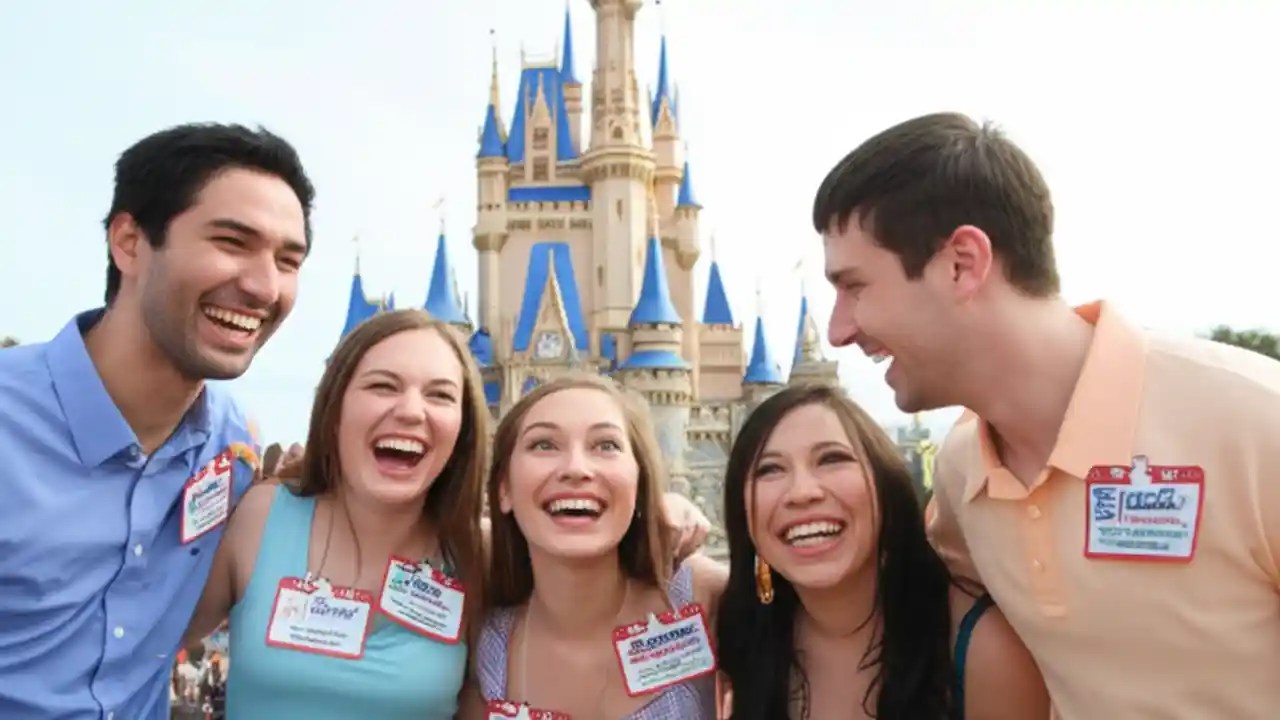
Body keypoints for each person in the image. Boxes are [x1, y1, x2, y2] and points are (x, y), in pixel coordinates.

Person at [811, 111, 1280, 718]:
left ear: (962, 263)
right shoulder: (962, 472)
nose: (838, 330)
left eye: (855, 287)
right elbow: (879, 594)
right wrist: (661, 521)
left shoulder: (1253, 424)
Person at [0, 122, 314, 720]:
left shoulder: (237, 450)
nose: (263, 285)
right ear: (130, 242)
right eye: (231, 241)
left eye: (287, 259)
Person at [183, 309, 487, 719]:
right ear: (334, 408)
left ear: (463, 428)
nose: (413, 411)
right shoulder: (261, 517)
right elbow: (144, 645)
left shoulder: (477, 552)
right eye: (383, 386)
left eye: (440, 395)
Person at [715, 383, 1047, 719]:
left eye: (832, 459)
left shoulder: (979, 649)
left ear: (885, 485)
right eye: (769, 469)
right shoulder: (743, 633)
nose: (802, 492)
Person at [464, 374, 727, 719]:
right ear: (504, 490)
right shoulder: (488, 646)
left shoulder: (698, 597)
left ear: (639, 480)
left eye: (606, 445)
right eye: (543, 444)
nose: (576, 468)